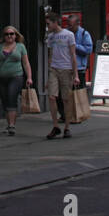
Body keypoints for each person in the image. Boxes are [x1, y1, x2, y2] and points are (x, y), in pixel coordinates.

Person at [0, 26, 33, 135]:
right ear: (3, 36)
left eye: (11, 34)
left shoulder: (20, 47)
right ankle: (9, 123)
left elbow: (26, 63)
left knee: (11, 97)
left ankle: (11, 126)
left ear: (15, 35)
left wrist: (29, 77)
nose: (9, 36)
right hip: (2, 78)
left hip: (16, 77)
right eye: (7, 34)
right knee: (5, 101)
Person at [44, 11, 78, 139]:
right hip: (54, 69)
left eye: (48, 24)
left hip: (66, 69)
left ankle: (67, 127)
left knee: (65, 99)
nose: (47, 27)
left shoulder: (68, 35)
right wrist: (49, 72)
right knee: (52, 97)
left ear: (55, 22)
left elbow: (73, 54)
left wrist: (75, 74)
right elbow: (51, 54)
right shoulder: (51, 37)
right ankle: (55, 126)